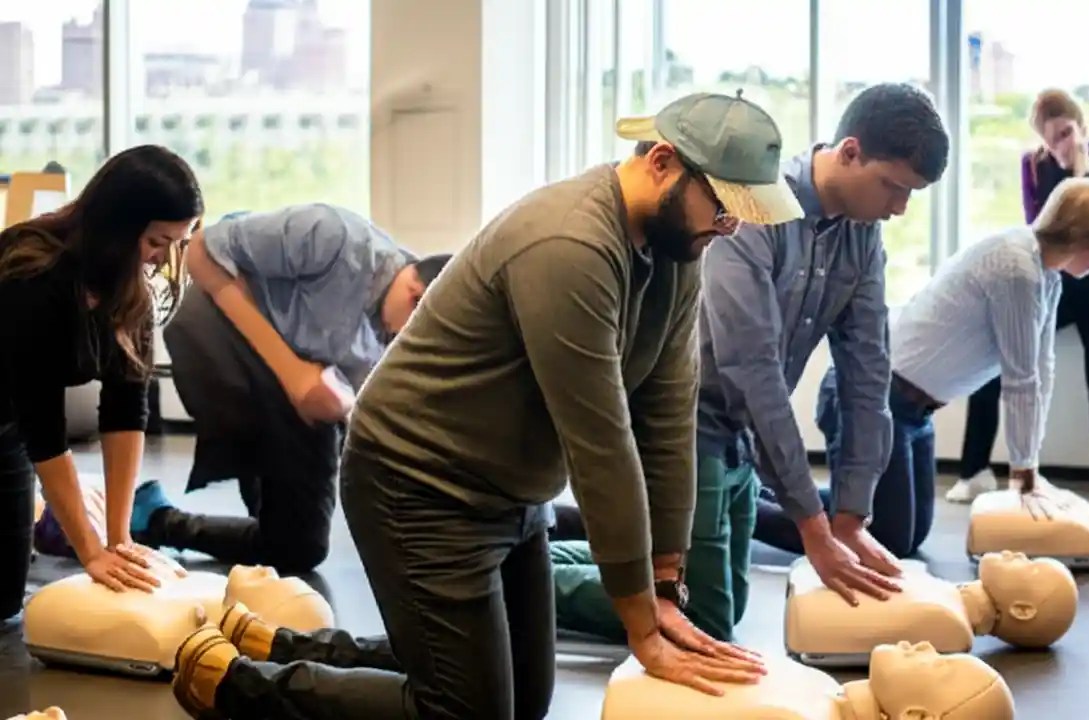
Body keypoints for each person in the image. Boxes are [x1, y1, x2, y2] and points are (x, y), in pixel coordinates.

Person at [169, 91, 806, 720]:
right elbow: (602, 445)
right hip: (418, 484)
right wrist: (641, 623)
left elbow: (667, 417)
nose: (729, 229)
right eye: (722, 207)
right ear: (663, 162)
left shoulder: (676, 251)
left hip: (508, 492)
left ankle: (281, 644)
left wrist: (667, 585)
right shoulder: (571, 245)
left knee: (523, 701)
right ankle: (232, 683)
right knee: (466, 709)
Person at [548, 83, 950, 642]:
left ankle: (558, 551)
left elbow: (867, 371)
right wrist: (813, 527)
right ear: (851, 152)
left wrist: (851, 517)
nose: (900, 208)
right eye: (893, 187)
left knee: (727, 605)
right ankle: (525, 576)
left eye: (911, 195)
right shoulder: (755, 207)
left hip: (740, 431)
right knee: (702, 617)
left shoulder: (863, 237)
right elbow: (753, 367)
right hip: (686, 424)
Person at [120, 204, 449, 573]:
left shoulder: (391, 332)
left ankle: (155, 518)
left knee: (298, 548)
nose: (398, 343)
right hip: (221, 324)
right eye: (407, 334)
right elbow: (200, 250)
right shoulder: (334, 236)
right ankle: (158, 516)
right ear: (414, 296)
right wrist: (290, 371)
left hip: (295, 366)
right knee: (281, 445)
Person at [0, 144, 202, 618]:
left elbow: (126, 409)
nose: (163, 257)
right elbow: (44, 430)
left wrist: (120, 536)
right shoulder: (32, 274)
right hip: (18, 417)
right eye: (156, 241)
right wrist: (90, 551)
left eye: (179, 241)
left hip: (8, 423)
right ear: (118, 226)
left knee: (4, 597)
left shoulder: (132, 288)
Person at [881, 176, 1089, 531]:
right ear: (1079, 235)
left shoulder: (1048, 277)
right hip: (876, 398)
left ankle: (795, 504)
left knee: (910, 529)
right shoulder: (1016, 269)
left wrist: (1031, 471)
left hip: (913, 411)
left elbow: (1042, 372)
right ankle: (780, 513)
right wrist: (1022, 477)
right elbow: (1020, 380)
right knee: (890, 534)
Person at [946, 89, 1089, 509]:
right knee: (1000, 358)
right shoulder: (1034, 165)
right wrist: (1064, 172)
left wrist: (1082, 170)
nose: (1059, 146)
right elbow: (1039, 226)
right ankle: (974, 469)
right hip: (1058, 279)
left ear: (1081, 126)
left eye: (1066, 133)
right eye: (1051, 139)